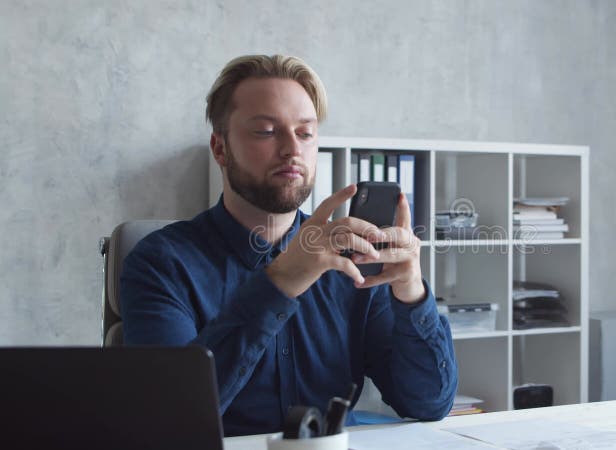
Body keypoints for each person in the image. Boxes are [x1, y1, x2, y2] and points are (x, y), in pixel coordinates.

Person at [119, 54, 457, 436]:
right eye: (266, 131)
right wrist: (281, 282)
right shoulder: (160, 264)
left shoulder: (351, 260)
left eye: (305, 133)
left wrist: (412, 295)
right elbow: (170, 422)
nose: (291, 149)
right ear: (220, 149)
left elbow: (429, 403)